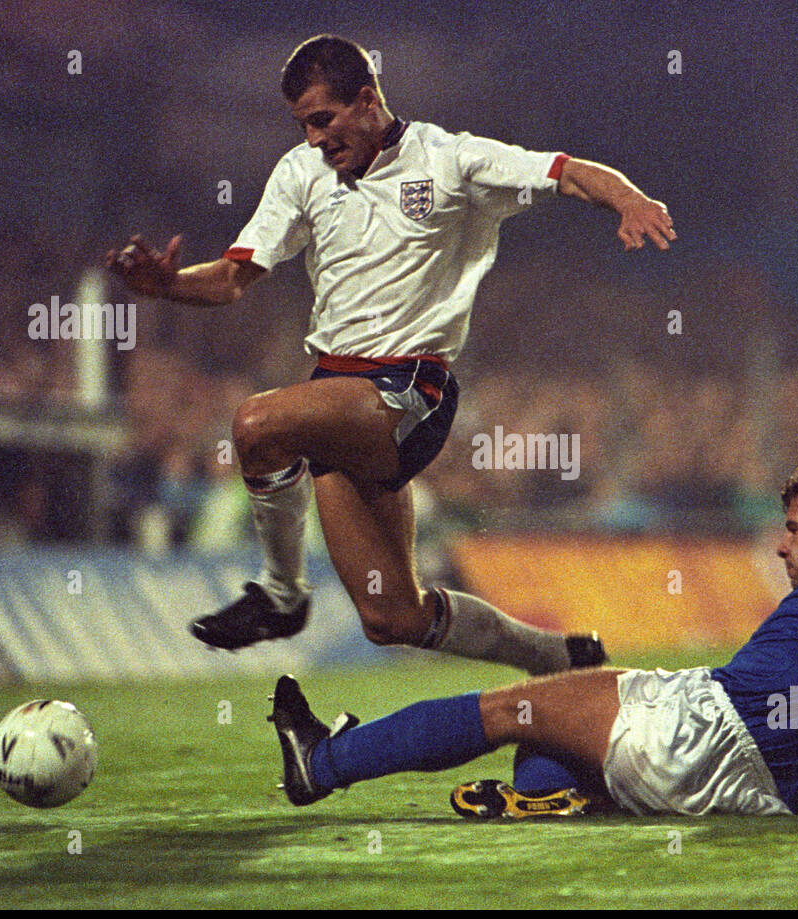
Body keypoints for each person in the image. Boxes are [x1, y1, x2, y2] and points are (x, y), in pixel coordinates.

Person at [106, 35, 675, 674]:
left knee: (256, 423)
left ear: (368, 99)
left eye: (324, 119)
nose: (316, 138)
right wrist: (167, 285)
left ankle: (280, 594)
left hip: (409, 390)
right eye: (303, 126)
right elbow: (236, 277)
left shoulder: (451, 160)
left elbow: (565, 172)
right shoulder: (300, 173)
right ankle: (555, 655)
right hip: (337, 401)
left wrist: (628, 199)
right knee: (392, 617)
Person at [268, 452, 798, 817]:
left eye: (793, 528)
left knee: (509, 709)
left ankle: (321, 763)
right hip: (762, 794)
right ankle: (559, 795)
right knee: (551, 722)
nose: (779, 546)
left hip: (704, 726)